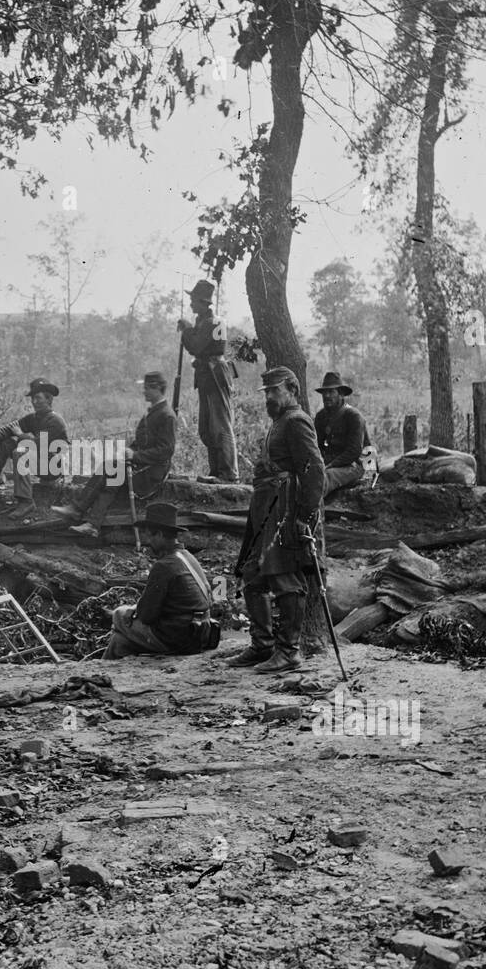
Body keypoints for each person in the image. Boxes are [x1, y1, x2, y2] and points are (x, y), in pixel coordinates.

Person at [226, 367, 326, 674]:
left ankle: (288, 652)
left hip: (285, 510)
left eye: (275, 390)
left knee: (286, 579)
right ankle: (262, 645)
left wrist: (303, 517)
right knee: (252, 575)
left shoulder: (296, 421)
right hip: (266, 507)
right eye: (266, 391)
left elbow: (315, 471)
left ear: (293, 390)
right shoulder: (279, 422)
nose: (269, 396)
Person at [52, 371, 176, 537]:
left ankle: (78, 510)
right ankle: (91, 523)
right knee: (112, 478)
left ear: (158, 388)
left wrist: (135, 456)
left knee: (110, 469)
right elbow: (141, 442)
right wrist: (129, 451)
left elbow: (166, 450)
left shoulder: (167, 415)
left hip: (152, 473)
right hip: (144, 465)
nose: (144, 391)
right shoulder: (153, 412)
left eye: (147, 388)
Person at [103, 503, 216, 659]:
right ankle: (115, 668)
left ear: (161, 534)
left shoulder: (164, 565)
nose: (149, 541)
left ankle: (102, 673)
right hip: (201, 632)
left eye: (151, 535)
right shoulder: (189, 557)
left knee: (119, 615)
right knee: (120, 640)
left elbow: (146, 616)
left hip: (179, 638)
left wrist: (132, 610)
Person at [0, 377, 70, 521]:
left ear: (49, 399)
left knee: (20, 452)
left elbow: (38, 444)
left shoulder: (55, 421)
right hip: (40, 461)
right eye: (33, 398)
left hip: (53, 467)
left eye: (38, 398)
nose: (34, 402)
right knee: (8, 442)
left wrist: (20, 434)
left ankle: (26, 502)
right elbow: (6, 430)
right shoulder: (33, 418)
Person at [178, 278, 239, 483]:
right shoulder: (204, 322)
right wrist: (189, 329)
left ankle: (229, 473)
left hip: (215, 374)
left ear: (203, 302)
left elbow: (196, 346)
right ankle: (217, 471)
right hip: (206, 375)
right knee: (206, 426)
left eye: (194, 300)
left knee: (220, 424)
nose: (191, 304)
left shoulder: (213, 322)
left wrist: (186, 330)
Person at [314, 371, 370, 497]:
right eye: (324, 393)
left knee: (325, 477)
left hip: (354, 464)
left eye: (331, 392)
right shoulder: (321, 416)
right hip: (331, 461)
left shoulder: (353, 416)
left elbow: (354, 451)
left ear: (341, 394)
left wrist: (329, 465)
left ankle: (313, 513)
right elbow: (316, 445)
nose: (327, 396)